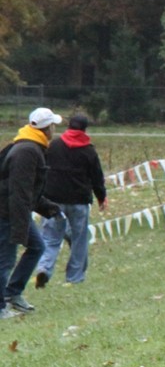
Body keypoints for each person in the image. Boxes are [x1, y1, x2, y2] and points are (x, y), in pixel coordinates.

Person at [0, 108, 64, 320]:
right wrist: (18, 227)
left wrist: (47, 208)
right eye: (53, 125)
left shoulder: (32, 146)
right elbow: (18, 192)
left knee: (37, 246)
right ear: (48, 128)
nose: (55, 129)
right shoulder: (27, 151)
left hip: (16, 211)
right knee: (5, 260)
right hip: (7, 213)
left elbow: (28, 191)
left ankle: (12, 293)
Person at [36, 112, 107, 287]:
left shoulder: (54, 145)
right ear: (84, 129)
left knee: (50, 238)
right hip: (79, 201)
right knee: (79, 239)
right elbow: (97, 177)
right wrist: (101, 197)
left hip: (53, 199)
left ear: (69, 127)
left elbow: (43, 168)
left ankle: (44, 267)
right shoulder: (89, 150)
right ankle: (75, 278)